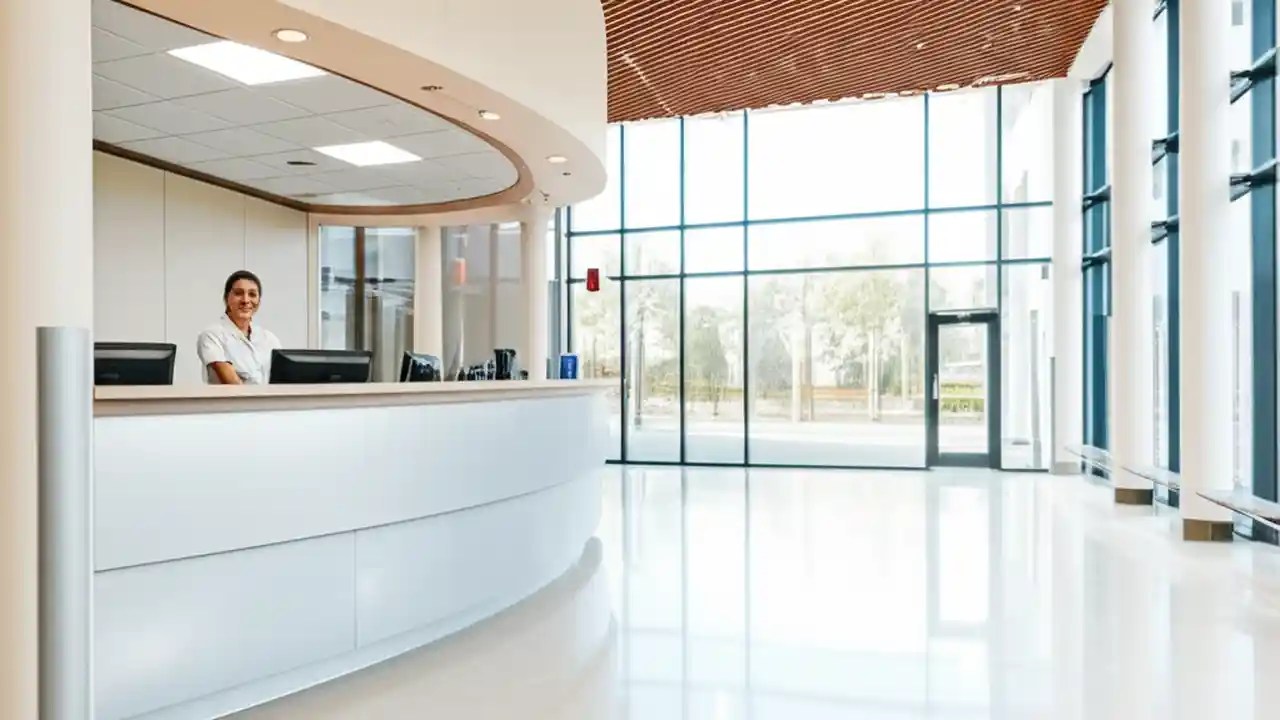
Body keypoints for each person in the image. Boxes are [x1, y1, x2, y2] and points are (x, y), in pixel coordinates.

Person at [197, 270, 282, 384]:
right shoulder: (212, 336)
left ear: (259, 301)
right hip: (232, 402)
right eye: (238, 293)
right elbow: (232, 383)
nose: (246, 300)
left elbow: (282, 379)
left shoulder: (269, 339)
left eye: (252, 294)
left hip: (270, 401)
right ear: (227, 298)